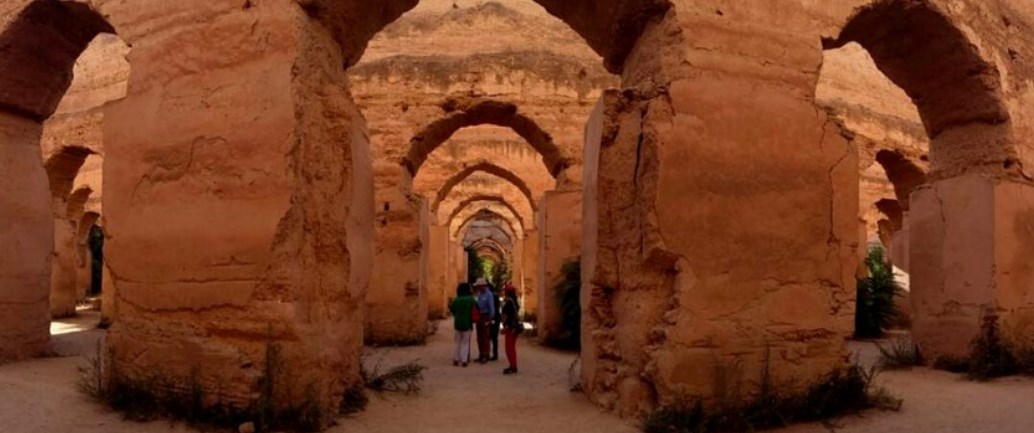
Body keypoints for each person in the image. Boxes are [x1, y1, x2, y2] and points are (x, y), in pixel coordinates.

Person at [448, 283, 478, 367]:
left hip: (457, 323)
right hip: (467, 323)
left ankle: (456, 359)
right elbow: (476, 305)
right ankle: (464, 360)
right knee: (465, 342)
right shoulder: (470, 299)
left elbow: (451, 307)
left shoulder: (456, 299)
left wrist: (456, 314)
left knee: (457, 342)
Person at [501, 283, 522, 374]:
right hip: (514, 327)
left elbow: (508, 317)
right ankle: (513, 365)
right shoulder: (514, 301)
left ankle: (513, 366)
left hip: (511, 328)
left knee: (509, 348)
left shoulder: (509, 302)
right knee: (511, 347)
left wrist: (506, 327)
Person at [473, 278, 495, 363]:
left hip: (486, 316)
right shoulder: (480, 295)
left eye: (479, 286)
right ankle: (481, 354)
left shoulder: (489, 295)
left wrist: (490, 318)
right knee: (479, 337)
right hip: (480, 317)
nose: (478, 288)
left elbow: (491, 308)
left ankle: (486, 355)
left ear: (483, 286)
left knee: (485, 336)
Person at [488, 282, 502, 361]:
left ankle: (490, 354)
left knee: (490, 336)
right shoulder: (496, 295)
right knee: (494, 337)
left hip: (493, 317)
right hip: (497, 317)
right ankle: (494, 354)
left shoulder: (491, 296)